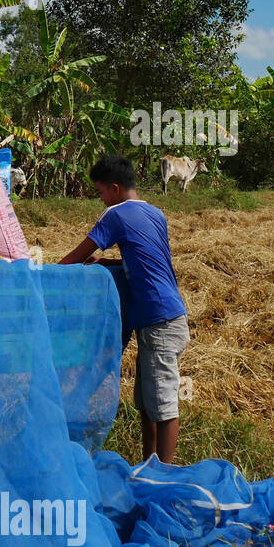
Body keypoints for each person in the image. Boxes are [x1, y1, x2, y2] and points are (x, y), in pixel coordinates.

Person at [59, 154, 190, 465]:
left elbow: (76, 256)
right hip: (165, 317)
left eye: (100, 192)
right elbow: (147, 261)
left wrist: (43, 275)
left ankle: (163, 477)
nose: (101, 199)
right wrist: (107, 263)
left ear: (114, 188)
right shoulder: (156, 213)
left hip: (160, 321)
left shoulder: (114, 215)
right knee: (147, 403)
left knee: (163, 405)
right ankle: (149, 466)